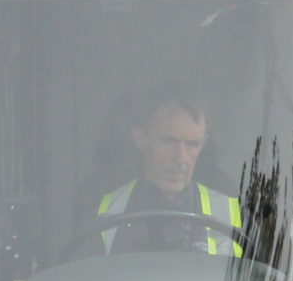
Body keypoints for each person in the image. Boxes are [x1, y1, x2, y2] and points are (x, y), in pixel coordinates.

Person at [93, 87, 244, 256]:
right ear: (140, 139)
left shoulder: (232, 211)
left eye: (192, 144)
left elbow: (251, 278)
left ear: (204, 143)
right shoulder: (103, 208)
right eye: (169, 142)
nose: (181, 158)